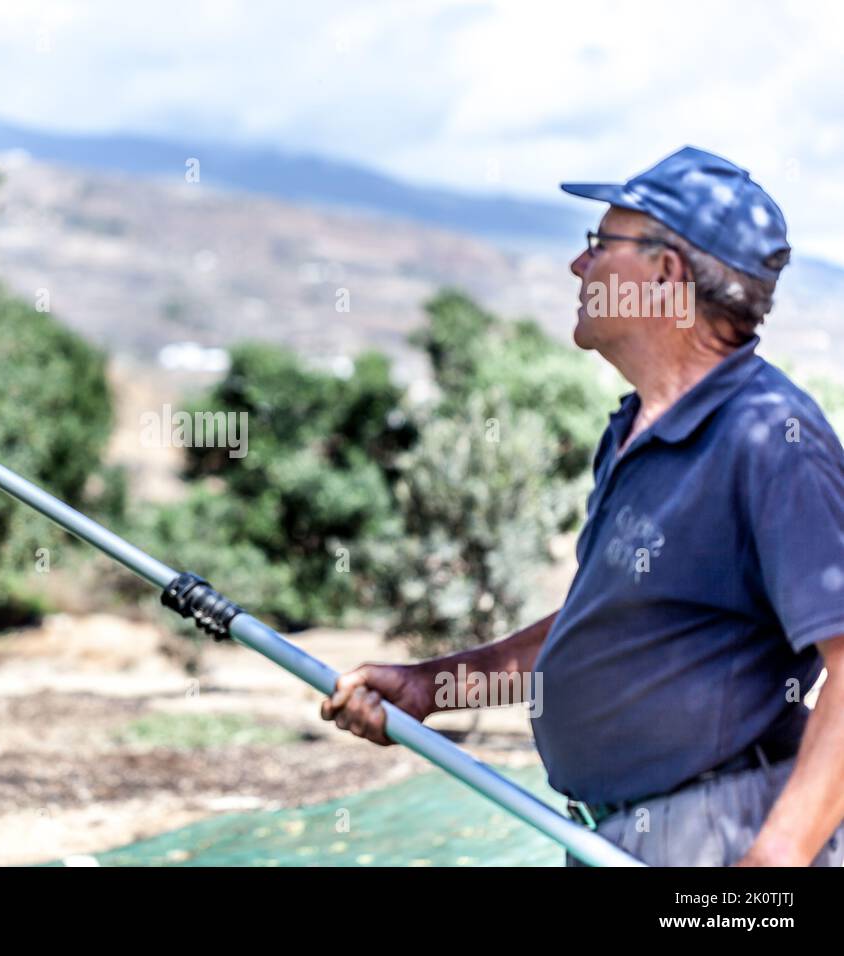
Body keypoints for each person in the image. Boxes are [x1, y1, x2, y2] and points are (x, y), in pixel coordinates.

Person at [322, 146, 844, 866]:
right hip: (613, 836)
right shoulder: (635, 431)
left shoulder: (770, 439)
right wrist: (429, 686)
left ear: (664, 274)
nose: (578, 266)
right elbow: (598, 632)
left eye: (600, 245)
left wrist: (780, 856)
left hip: (719, 841)